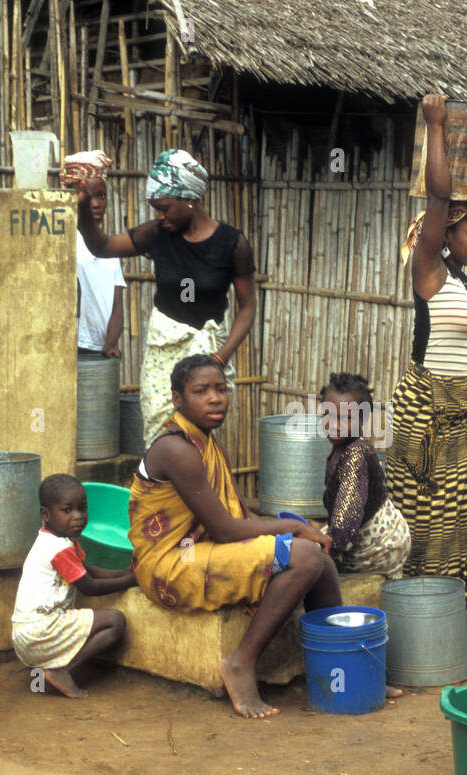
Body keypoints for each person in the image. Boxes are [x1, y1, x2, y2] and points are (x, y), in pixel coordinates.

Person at [128, 355, 339, 718]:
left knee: (320, 560)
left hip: (203, 546)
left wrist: (302, 529)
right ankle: (241, 662)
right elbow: (227, 528)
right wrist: (294, 527)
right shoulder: (176, 449)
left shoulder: (207, 443)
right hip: (174, 562)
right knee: (303, 556)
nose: (215, 398)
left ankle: (341, 666)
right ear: (178, 399)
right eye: (201, 391)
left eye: (221, 389)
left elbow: (243, 515)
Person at [388, 93, 467, 655]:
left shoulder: (461, 285)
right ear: (446, 235)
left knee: (463, 511)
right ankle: (421, 612)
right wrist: (436, 124)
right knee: (423, 508)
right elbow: (438, 192)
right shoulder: (427, 269)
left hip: (459, 409)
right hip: (426, 405)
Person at [74, 149, 256, 446]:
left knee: (198, 440)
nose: (160, 215)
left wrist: (220, 358)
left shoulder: (232, 244)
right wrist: (82, 206)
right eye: (156, 209)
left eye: (165, 207)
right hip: (164, 348)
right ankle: (158, 493)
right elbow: (102, 246)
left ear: (190, 199)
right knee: (160, 436)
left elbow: (247, 307)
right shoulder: (157, 234)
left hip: (208, 353)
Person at [12, 474, 134, 699]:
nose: (78, 517)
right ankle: (60, 670)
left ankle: (46, 672)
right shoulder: (60, 548)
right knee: (115, 622)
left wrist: (122, 573)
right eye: (67, 510)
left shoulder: (54, 539)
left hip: (25, 637)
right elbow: (90, 586)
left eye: (82, 509)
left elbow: (87, 569)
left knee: (100, 620)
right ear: (46, 514)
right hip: (42, 632)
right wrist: (131, 581)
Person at [317, 373, 411, 578]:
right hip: (374, 534)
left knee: (308, 556)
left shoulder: (355, 456)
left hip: (380, 545)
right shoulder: (339, 450)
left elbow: (347, 517)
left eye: (346, 417)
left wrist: (327, 552)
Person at [62, 151, 127, 357]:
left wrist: (110, 343)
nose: (97, 204)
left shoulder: (109, 247)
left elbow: (117, 305)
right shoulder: (64, 241)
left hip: (100, 349)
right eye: (89, 196)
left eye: (101, 195)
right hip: (69, 347)